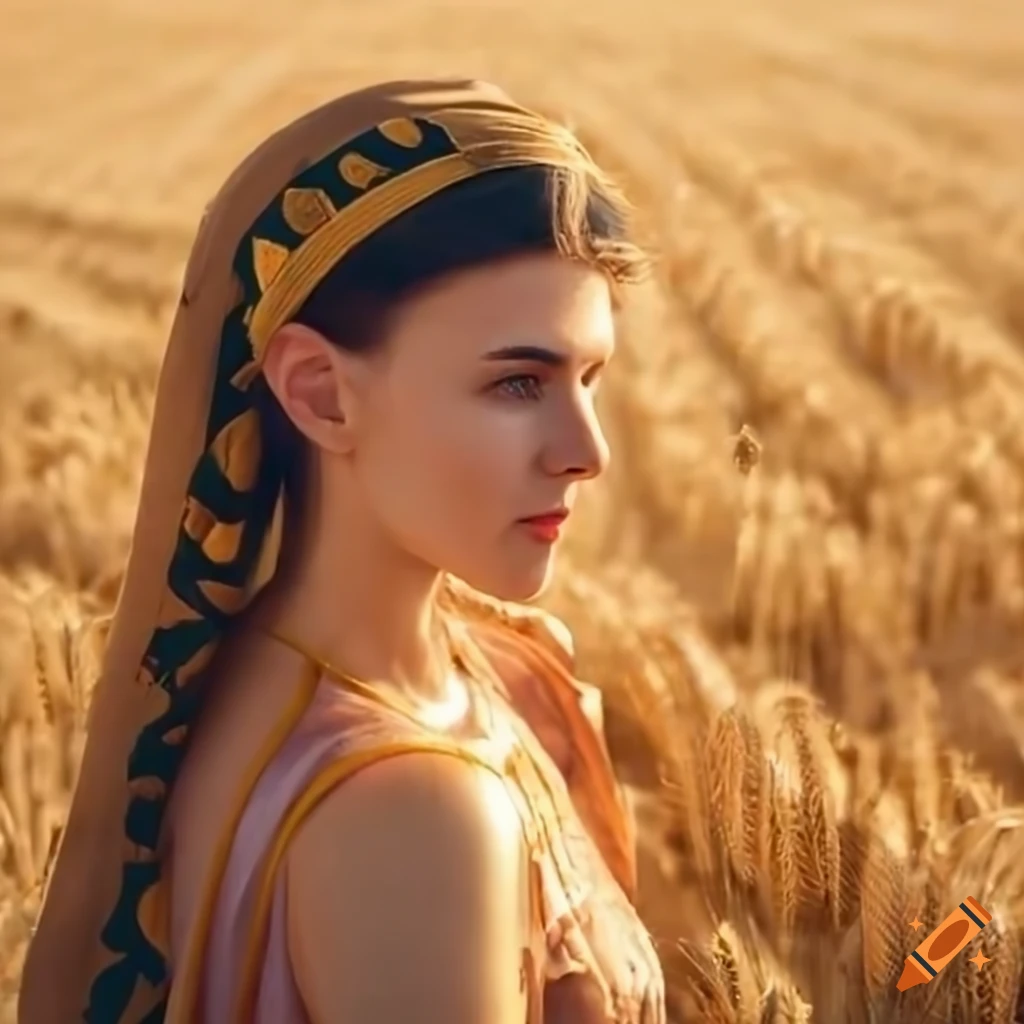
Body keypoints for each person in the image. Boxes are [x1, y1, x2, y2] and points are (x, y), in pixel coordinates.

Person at [18, 77, 666, 1024]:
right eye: (519, 384)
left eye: (592, 377)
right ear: (320, 392)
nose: (589, 451)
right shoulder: (414, 818)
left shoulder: (246, 669)